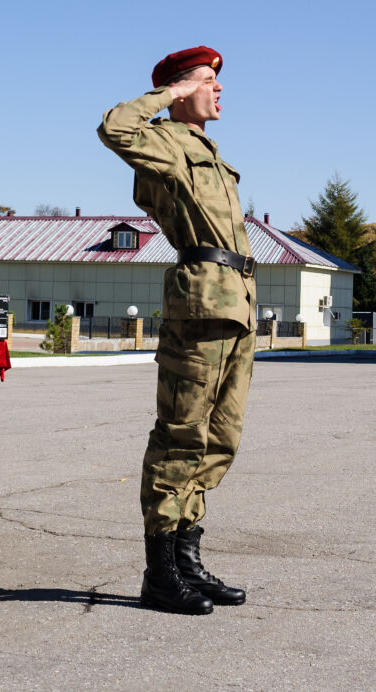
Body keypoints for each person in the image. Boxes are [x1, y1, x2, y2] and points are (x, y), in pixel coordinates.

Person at [98, 45, 256, 615]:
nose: (219, 90)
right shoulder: (163, 141)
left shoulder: (206, 148)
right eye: (209, 81)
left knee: (220, 438)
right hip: (201, 302)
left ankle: (187, 560)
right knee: (181, 435)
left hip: (234, 301)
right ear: (182, 88)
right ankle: (160, 574)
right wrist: (169, 93)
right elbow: (114, 128)